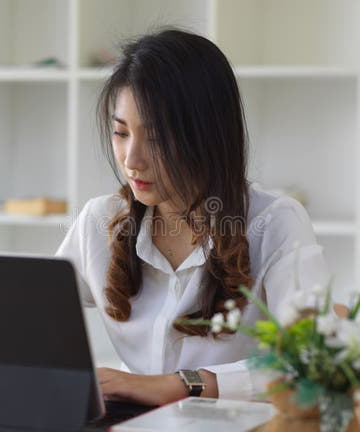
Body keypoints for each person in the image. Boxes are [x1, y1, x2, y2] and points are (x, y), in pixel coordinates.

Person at [55, 28, 329, 407]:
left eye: (155, 138)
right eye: (120, 133)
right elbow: (29, 318)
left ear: (207, 135)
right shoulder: (99, 220)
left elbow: (309, 364)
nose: (131, 161)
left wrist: (181, 385)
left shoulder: (275, 223)